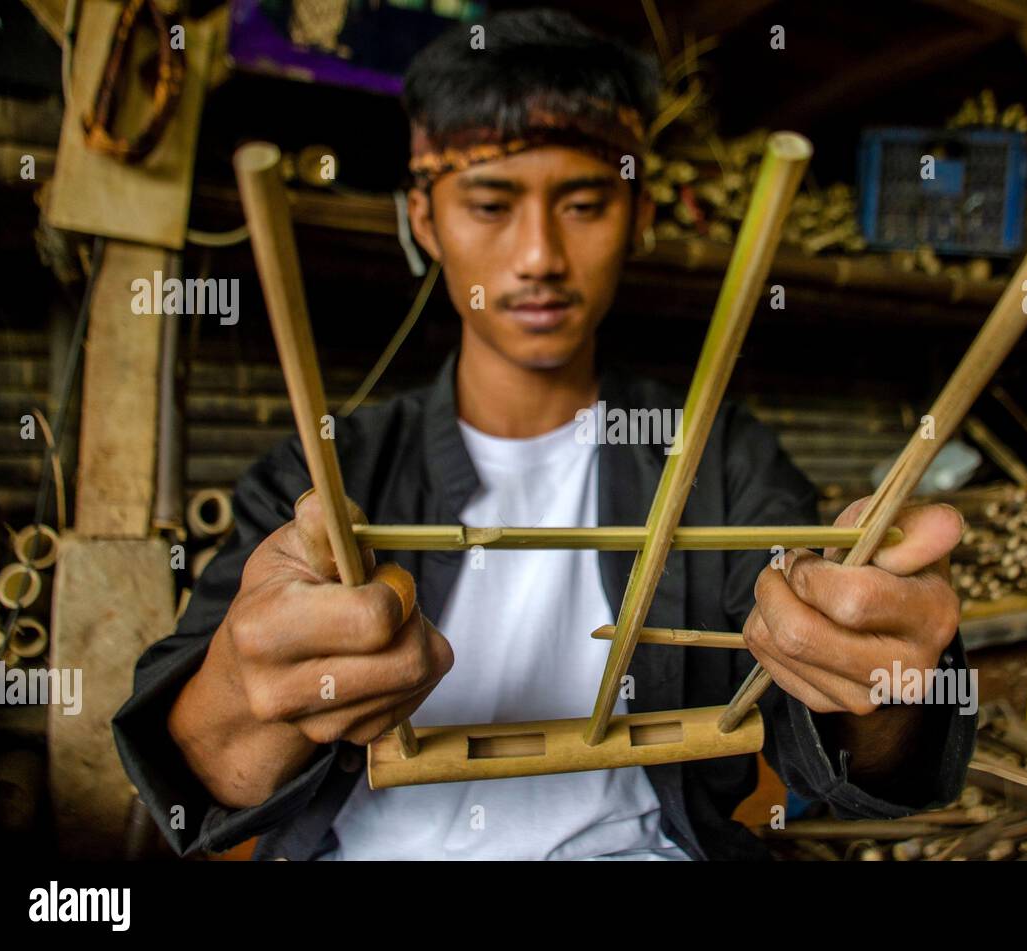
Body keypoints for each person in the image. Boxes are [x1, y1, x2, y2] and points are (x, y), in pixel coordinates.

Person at [114, 7, 974, 861]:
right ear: (423, 217)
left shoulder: (719, 459)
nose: (538, 256)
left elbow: (837, 749)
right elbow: (199, 774)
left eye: (584, 202)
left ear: (640, 214)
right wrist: (244, 690)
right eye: (490, 203)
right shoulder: (327, 468)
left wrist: (878, 670)